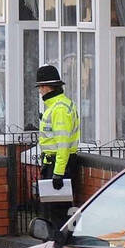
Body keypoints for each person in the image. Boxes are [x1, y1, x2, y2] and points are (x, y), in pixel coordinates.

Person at [36, 64, 80, 228]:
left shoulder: (59, 109)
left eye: (40, 87)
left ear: (47, 87)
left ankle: (58, 247)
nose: (40, 91)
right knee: (55, 212)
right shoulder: (58, 105)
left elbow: (63, 145)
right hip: (55, 164)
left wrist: (58, 174)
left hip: (58, 165)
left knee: (58, 215)